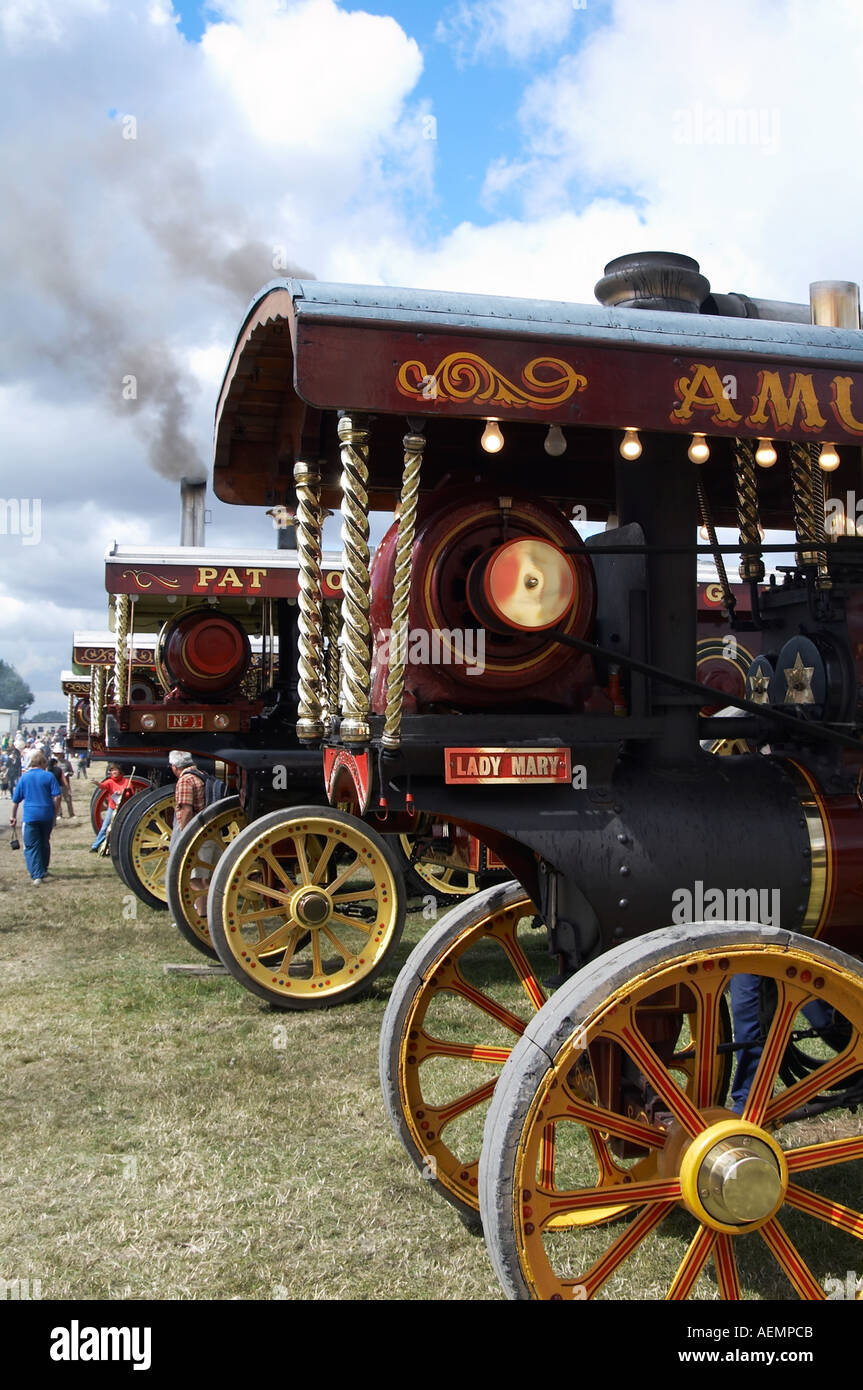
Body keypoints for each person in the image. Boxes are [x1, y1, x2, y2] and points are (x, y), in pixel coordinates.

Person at [10, 750, 61, 885]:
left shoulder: (24, 778)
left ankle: (37, 875)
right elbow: (57, 796)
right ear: (43, 763)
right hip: (46, 815)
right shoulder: (49, 776)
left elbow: (16, 800)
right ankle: (43, 868)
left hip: (30, 815)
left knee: (32, 845)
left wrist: (13, 817)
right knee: (44, 842)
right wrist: (55, 814)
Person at [90, 763, 133, 852]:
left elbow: (131, 793)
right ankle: (95, 846)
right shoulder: (110, 782)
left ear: (119, 771)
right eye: (112, 770)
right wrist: (97, 783)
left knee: (124, 827)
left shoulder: (126, 781)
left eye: (115, 770)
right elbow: (103, 786)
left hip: (123, 808)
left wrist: (123, 794)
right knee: (105, 827)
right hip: (112, 808)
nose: (114, 772)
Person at [169, 750, 206, 842]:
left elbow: (186, 810)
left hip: (193, 829)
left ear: (174, 767)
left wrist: (184, 837)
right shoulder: (201, 774)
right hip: (203, 826)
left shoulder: (185, 780)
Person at [49, 744, 75, 819]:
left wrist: (68, 774)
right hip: (56, 783)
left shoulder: (67, 762)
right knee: (57, 799)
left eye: (59, 753)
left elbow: (72, 772)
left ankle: (71, 814)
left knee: (68, 799)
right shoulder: (53, 763)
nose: (58, 755)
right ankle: (59, 814)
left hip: (65, 783)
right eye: (56, 754)